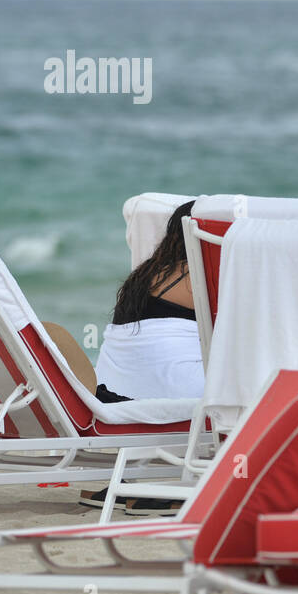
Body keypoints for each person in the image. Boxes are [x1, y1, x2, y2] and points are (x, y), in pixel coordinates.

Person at [80, 199, 203, 514]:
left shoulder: (147, 273)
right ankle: (169, 485)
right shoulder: (196, 276)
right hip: (165, 402)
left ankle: (140, 481)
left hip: (117, 396)